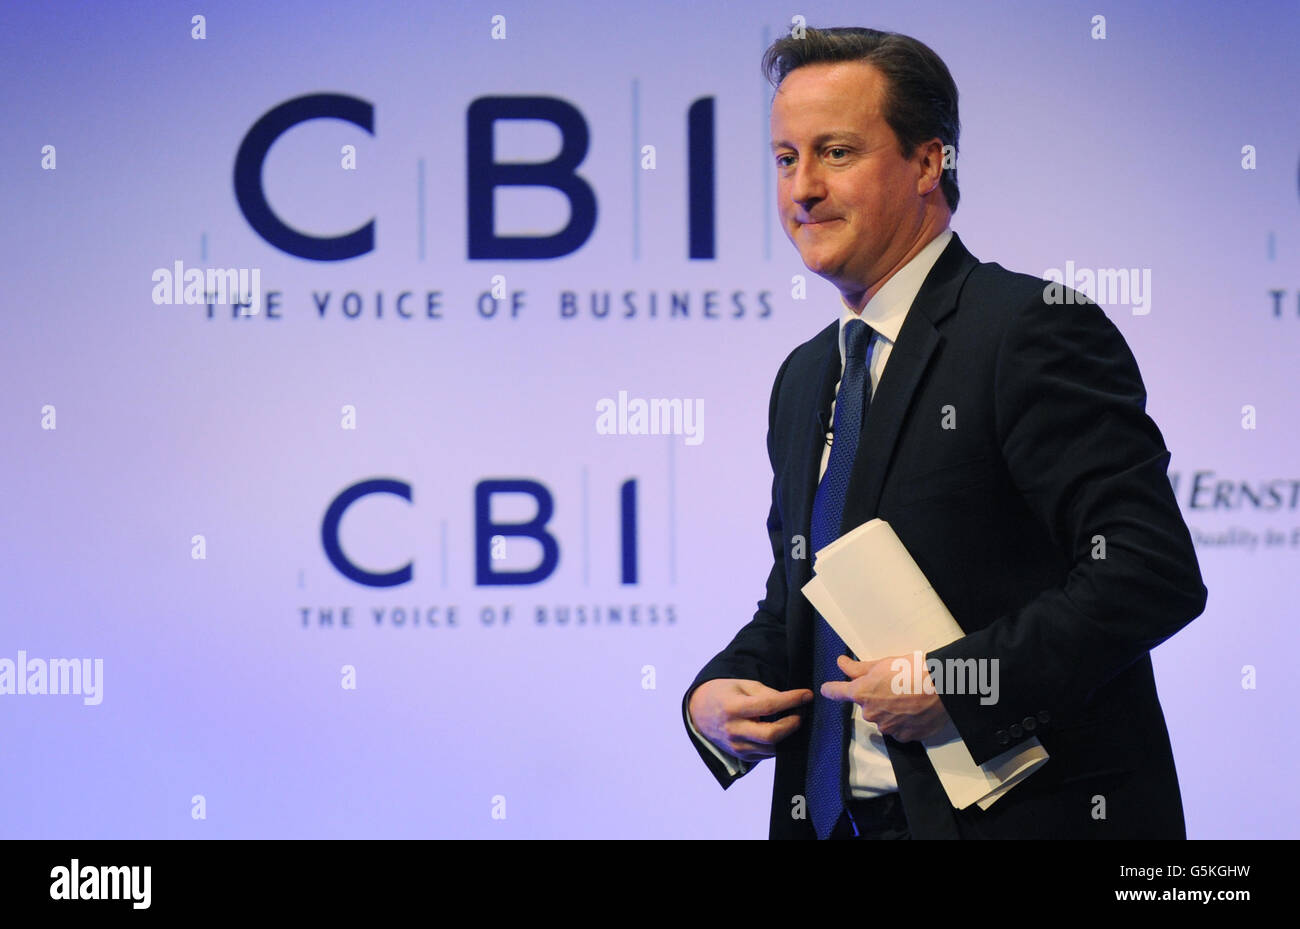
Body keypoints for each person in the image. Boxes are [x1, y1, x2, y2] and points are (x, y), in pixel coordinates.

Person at [683, 26, 1207, 840]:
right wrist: (715, 695)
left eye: (837, 152)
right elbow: (803, 600)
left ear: (928, 164)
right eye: (786, 159)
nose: (804, 189)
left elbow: (1148, 572)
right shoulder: (805, 375)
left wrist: (957, 684)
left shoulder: (1029, 329)